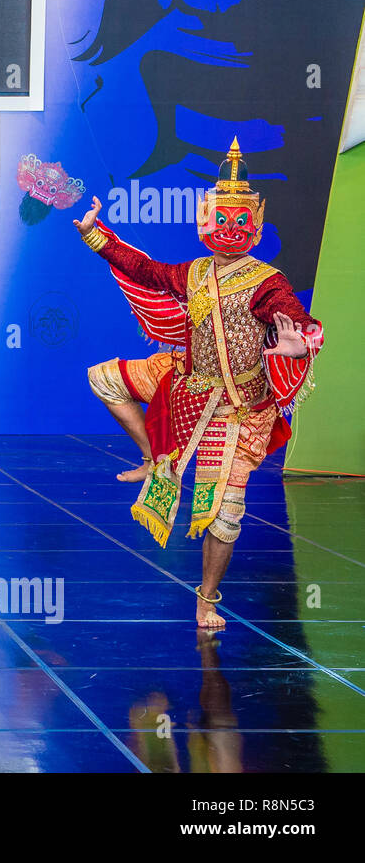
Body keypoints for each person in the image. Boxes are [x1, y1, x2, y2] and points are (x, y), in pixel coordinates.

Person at [78, 139, 321, 628]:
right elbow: (146, 269)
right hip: (187, 388)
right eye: (222, 219)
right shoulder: (192, 273)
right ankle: (152, 458)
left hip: (237, 412)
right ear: (206, 218)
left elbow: (296, 318)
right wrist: (97, 236)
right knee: (104, 379)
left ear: (255, 223)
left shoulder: (266, 282)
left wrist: (303, 342)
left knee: (225, 512)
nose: (230, 230)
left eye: (240, 221)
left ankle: (206, 599)